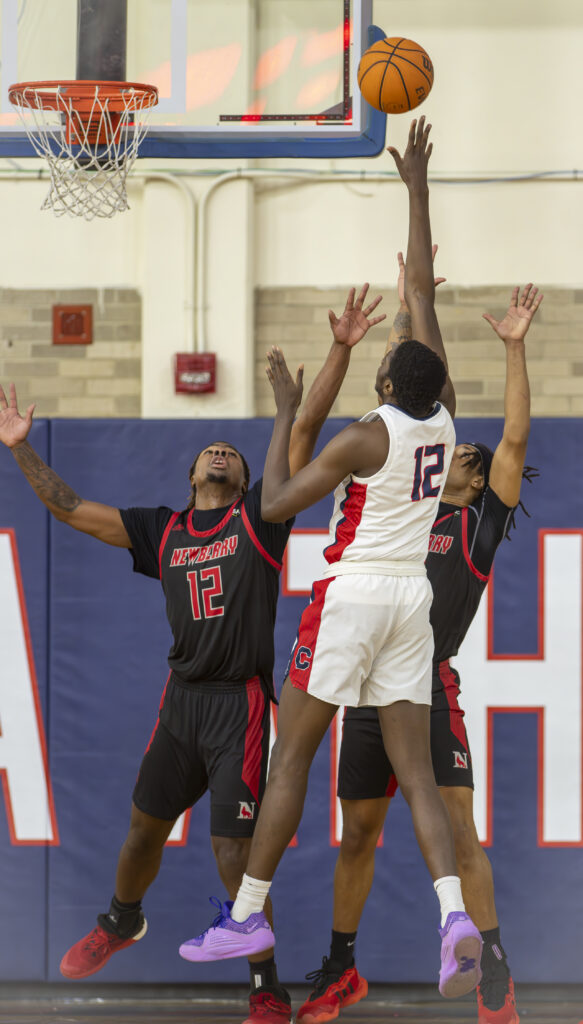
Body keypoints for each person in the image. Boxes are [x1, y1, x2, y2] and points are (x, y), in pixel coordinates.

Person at [0, 282, 385, 1024]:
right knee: (143, 827)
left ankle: (264, 985)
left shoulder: (259, 522)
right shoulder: (164, 529)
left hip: (238, 705)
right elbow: (72, 509)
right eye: (210, 450)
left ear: (241, 482)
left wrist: (330, 357)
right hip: (181, 702)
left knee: (233, 858)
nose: (219, 453)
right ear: (188, 478)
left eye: (230, 456)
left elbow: (300, 438)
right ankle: (121, 919)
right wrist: (20, 451)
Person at [180, 118, 483, 1003]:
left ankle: (249, 910)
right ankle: (450, 915)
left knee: (290, 763)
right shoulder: (444, 415)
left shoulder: (365, 435)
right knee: (417, 774)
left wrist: (283, 421)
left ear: (388, 383)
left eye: (386, 357)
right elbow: (422, 293)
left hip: (350, 598)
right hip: (411, 608)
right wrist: (418, 189)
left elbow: (271, 505)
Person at [296, 275, 541, 1024]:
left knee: (458, 825)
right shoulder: (407, 501)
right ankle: (341, 966)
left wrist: (514, 350)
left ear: (474, 479)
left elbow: (514, 437)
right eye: (457, 448)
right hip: (371, 677)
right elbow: (410, 391)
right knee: (358, 834)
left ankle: (493, 964)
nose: (461, 451)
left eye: (469, 454)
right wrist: (407, 307)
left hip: (427, 685)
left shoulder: (478, 523)